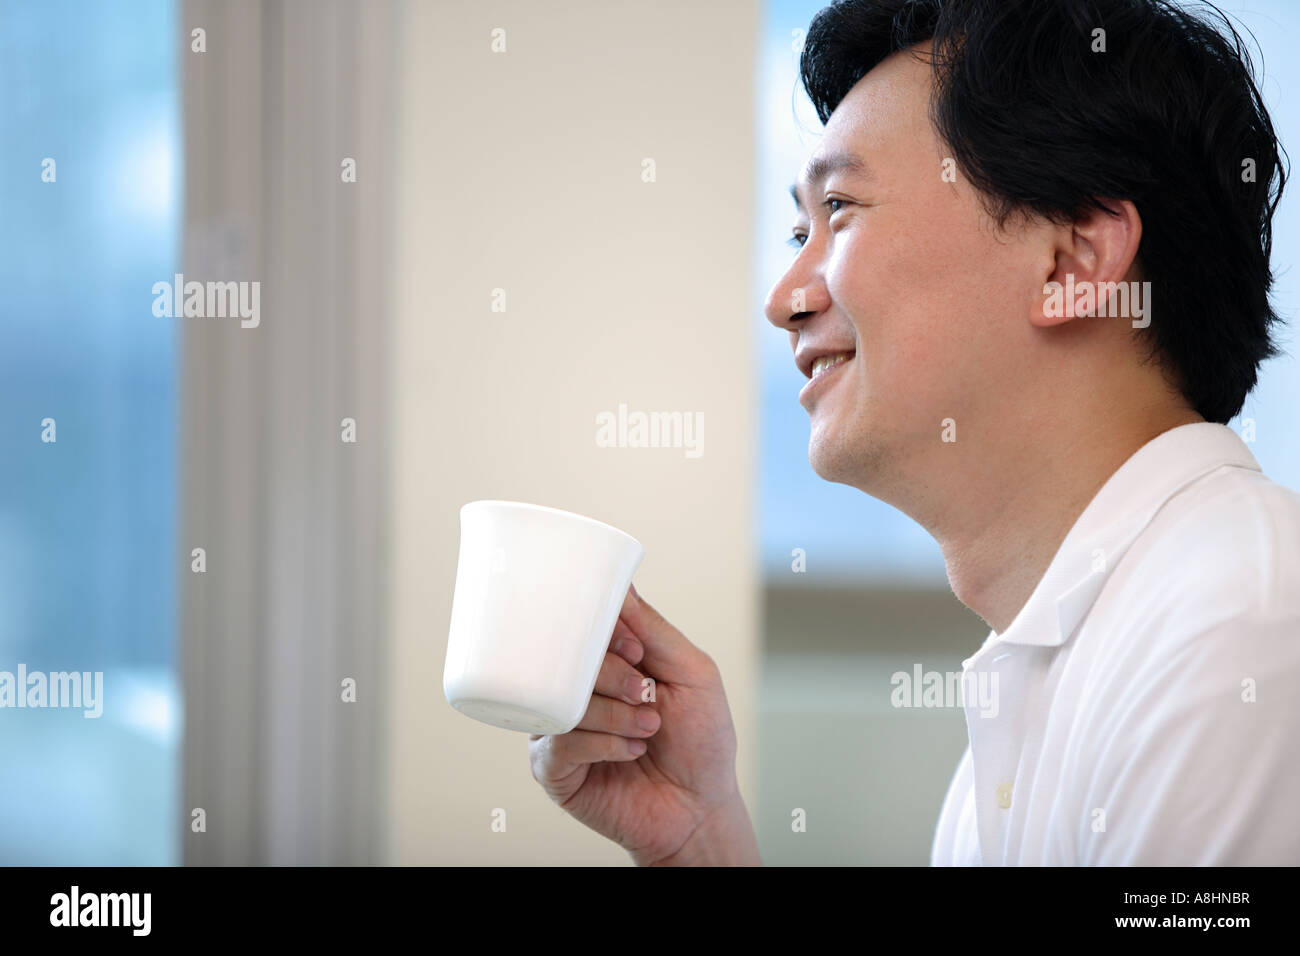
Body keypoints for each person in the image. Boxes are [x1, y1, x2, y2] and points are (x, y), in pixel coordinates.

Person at [528, 0, 1300, 865]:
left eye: (841, 209)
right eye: (796, 229)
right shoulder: (1032, 699)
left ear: (1074, 262)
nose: (785, 297)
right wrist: (700, 846)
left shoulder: (1242, 624)